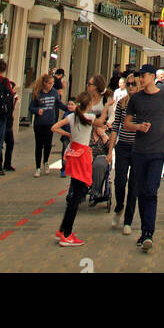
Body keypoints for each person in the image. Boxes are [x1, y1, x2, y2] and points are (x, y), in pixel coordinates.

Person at [123, 64, 164, 251]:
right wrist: (138, 127)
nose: (140, 79)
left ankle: (148, 233)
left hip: (156, 152)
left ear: (153, 77)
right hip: (139, 152)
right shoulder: (136, 98)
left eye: (143, 76)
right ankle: (145, 231)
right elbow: (126, 123)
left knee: (151, 191)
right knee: (141, 191)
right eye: (139, 76)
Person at [51, 92, 97, 246]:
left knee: (75, 194)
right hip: (82, 157)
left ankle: (63, 230)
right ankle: (67, 234)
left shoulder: (72, 117)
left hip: (73, 155)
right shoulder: (90, 118)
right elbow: (102, 122)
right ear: (89, 105)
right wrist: (107, 107)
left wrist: (68, 135)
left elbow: (54, 127)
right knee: (76, 197)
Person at [107, 73, 139, 235]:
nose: (131, 87)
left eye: (134, 84)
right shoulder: (122, 103)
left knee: (134, 185)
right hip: (123, 146)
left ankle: (128, 221)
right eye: (129, 84)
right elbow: (115, 127)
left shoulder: (143, 103)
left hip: (138, 148)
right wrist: (110, 151)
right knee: (120, 181)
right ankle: (119, 206)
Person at [29, 72, 68, 176]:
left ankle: (46, 161)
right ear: (45, 83)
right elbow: (31, 107)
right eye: (50, 83)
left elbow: (59, 104)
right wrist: (37, 111)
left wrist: (69, 109)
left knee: (47, 144)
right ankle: (37, 167)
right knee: (39, 144)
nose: (51, 85)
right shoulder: (38, 93)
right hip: (39, 123)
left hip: (50, 123)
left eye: (52, 83)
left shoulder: (54, 92)